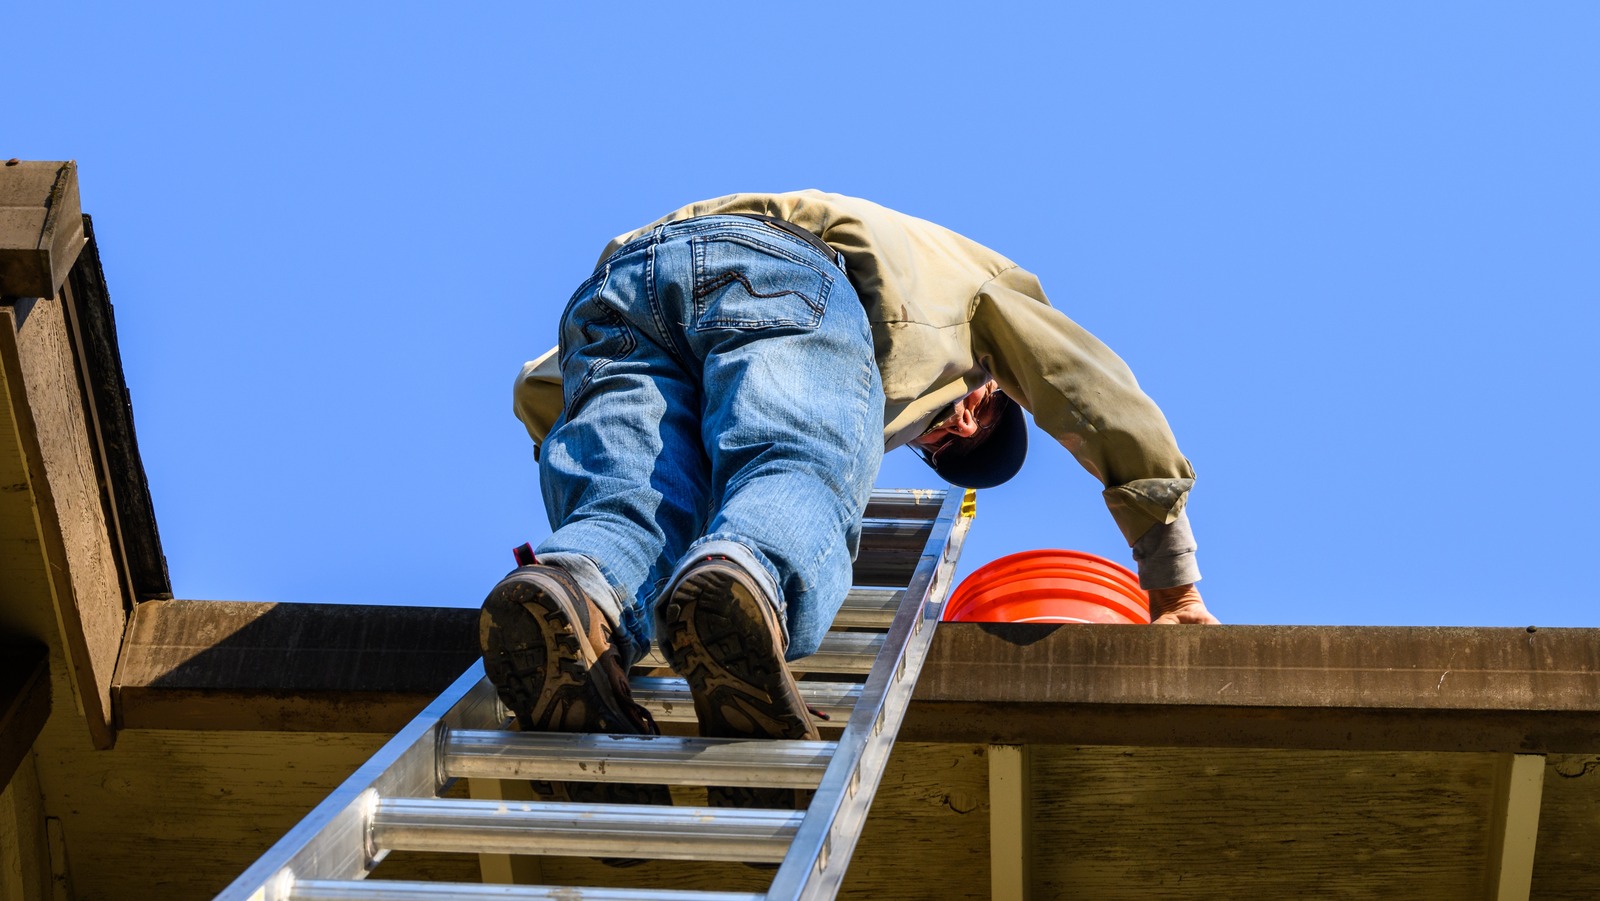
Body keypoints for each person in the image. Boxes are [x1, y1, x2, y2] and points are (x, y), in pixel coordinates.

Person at [478, 190, 1217, 812]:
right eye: (981, 407)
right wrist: (1172, 576)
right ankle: (745, 578)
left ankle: (581, 590)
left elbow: (541, 393)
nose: (959, 424)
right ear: (991, 377)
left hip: (616, 291)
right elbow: (1087, 387)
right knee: (794, 465)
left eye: (948, 445)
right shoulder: (980, 290)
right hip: (782, 272)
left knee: (621, 509)